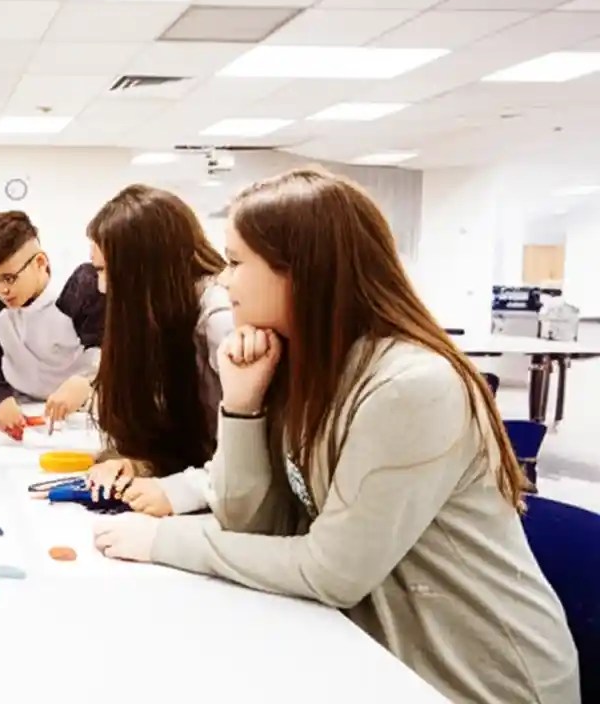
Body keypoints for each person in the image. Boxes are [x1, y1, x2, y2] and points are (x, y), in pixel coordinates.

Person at [92, 168, 578, 703]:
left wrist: (164, 542)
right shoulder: (302, 366)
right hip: (378, 651)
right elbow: (254, 524)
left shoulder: (410, 386)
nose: (225, 282)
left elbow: (333, 572)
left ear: (302, 271)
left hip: (472, 678)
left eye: (236, 262)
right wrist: (243, 406)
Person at [81, 185, 234, 516]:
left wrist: (179, 491)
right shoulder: (164, 317)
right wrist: (138, 464)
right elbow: (182, 442)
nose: (101, 287)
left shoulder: (220, 320)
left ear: (142, 271)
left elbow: (253, 461)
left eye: (104, 271)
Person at [0, 210, 103, 439]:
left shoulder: (80, 288)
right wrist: (0, 400)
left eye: (9, 278)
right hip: (25, 409)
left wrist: (86, 381)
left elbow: (112, 351)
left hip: (84, 410)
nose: (2, 290)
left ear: (40, 262)